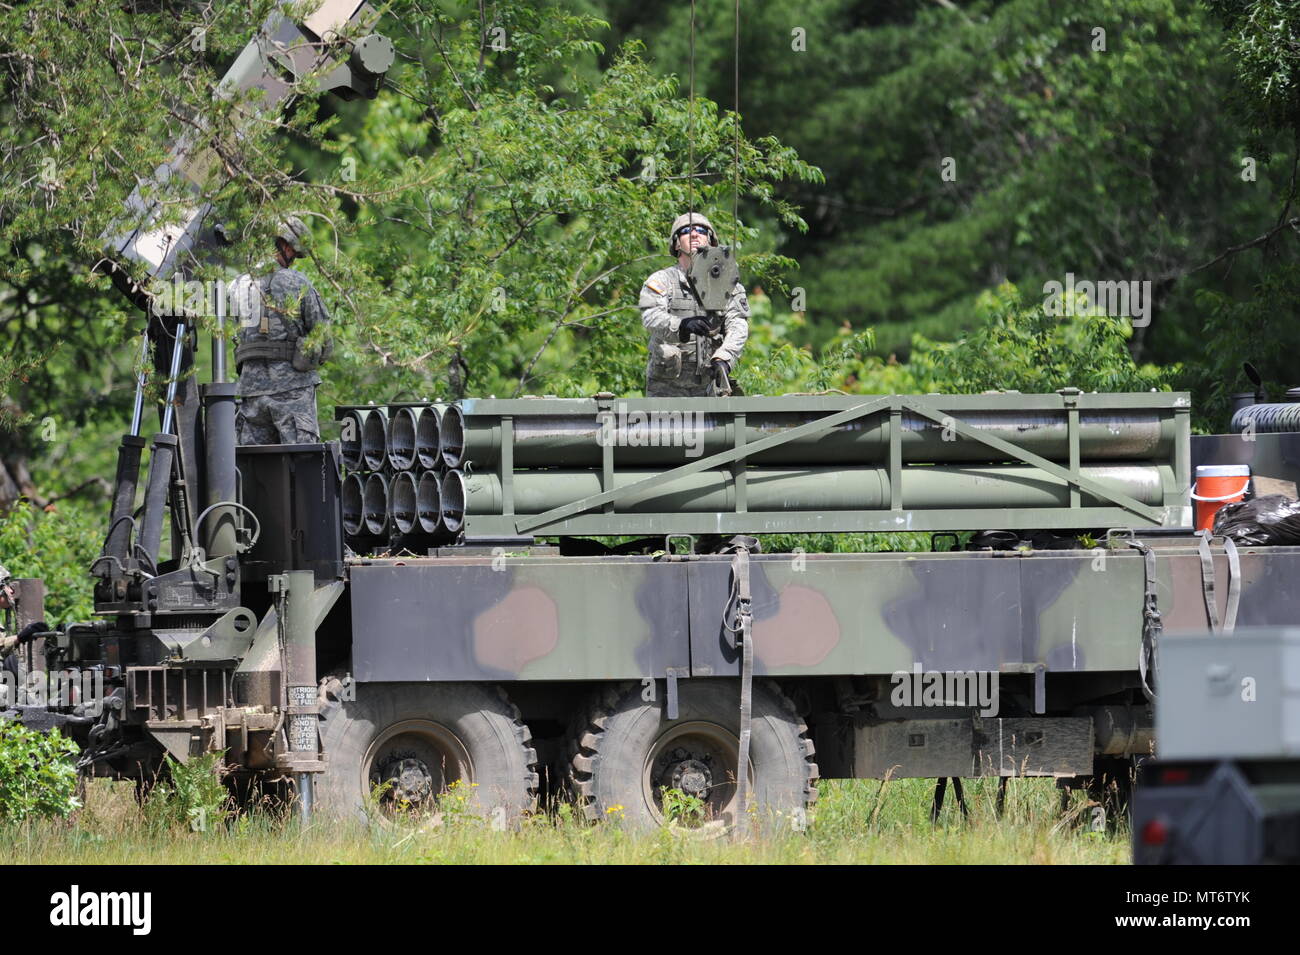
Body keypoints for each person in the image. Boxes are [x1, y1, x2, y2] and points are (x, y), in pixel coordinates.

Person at [233, 217, 332, 444]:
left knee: (256, 469)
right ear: (285, 246)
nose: (294, 261)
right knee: (302, 465)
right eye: (295, 255)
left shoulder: (240, 284)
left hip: (251, 393)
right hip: (293, 391)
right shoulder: (297, 283)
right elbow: (324, 340)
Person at [638, 212, 749, 397]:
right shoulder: (662, 280)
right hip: (666, 391)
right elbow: (651, 317)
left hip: (709, 388)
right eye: (686, 231)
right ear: (676, 243)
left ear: (711, 241)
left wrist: (724, 356)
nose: (695, 234)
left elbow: (738, 322)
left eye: (702, 231)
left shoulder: (726, 283)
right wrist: (681, 325)